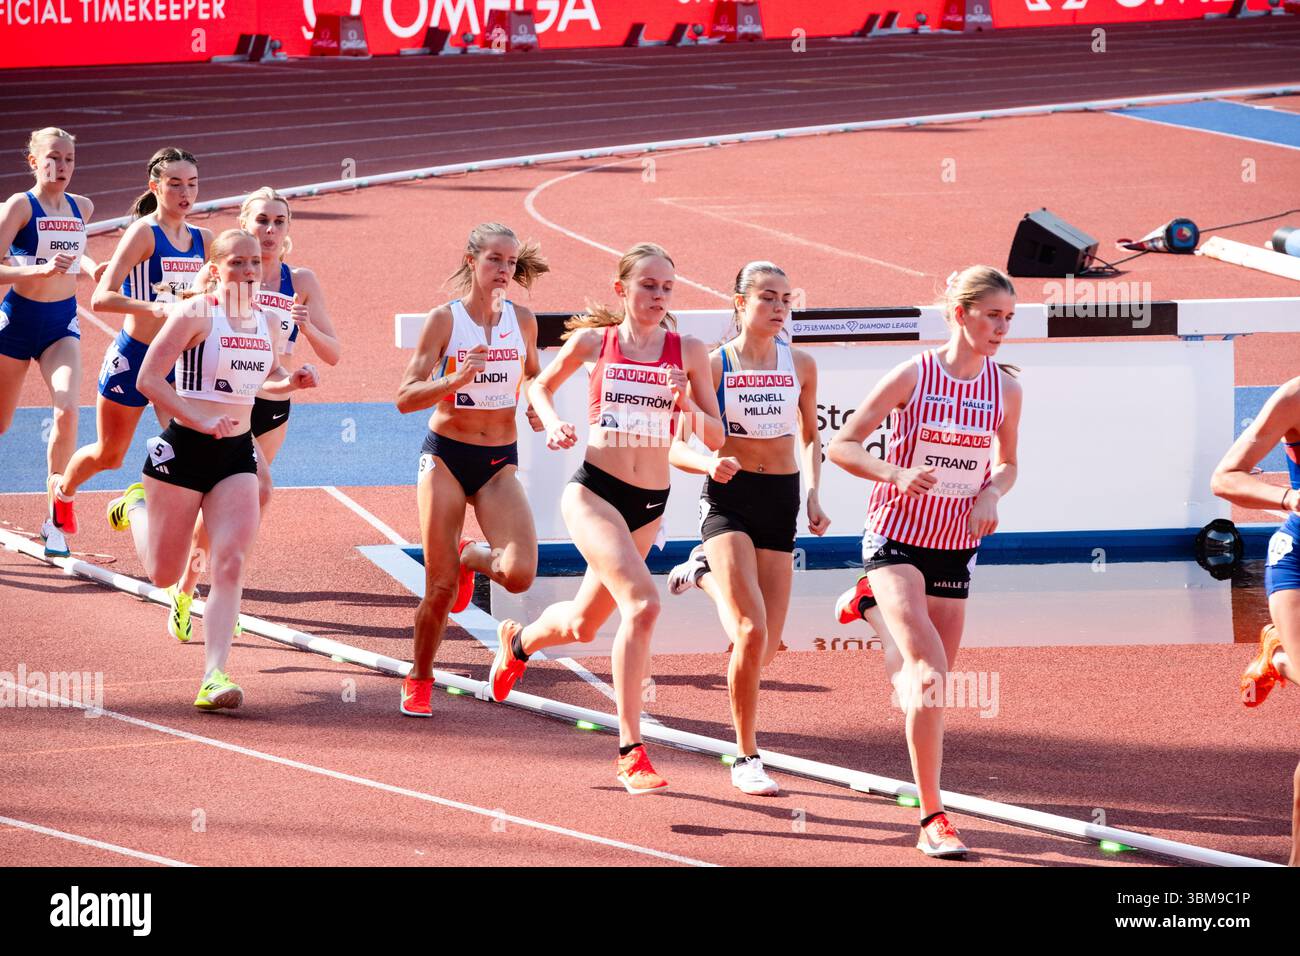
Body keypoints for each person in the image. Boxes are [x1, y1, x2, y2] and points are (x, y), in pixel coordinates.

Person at [488, 243, 724, 793]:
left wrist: (686, 404)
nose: (658, 296)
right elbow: (538, 384)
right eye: (647, 285)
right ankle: (630, 750)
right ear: (623, 290)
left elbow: (715, 433)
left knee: (581, 625)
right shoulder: (597, 342)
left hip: (648, 505)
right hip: (595, 493)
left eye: (667, 287)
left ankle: (519, 644)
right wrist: (549, 423)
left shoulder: (688, 350)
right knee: (643, 604)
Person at [828, 265, 1022, 858]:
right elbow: (842, 444)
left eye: (1009, 319)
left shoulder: (1006, 388)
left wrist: (991, 492)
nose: (1001, 329)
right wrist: (894, 473)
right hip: (895, 535)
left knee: (926, 687)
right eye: (992, 315)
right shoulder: (914, 374)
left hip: (956, 544)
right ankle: (934, 817)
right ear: (960, 314)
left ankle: (872, 608)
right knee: (932, 672)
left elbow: (1009, 462)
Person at [105, 229, 318, 710]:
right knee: (162, 575)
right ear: (217, 268)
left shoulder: (265, 319)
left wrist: (293, 382)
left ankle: (214, 675)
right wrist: (197, 418)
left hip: (236, 454)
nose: (248, 270)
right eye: (237, 263)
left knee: (230, 560)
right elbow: (148, 378)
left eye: (253, 263)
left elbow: (264, 381)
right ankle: (135, 504)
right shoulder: (197, 312)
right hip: (182, 452)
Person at [665, 261, 829, 795]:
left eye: (786, 299)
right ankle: (745, 755)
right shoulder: (714, 365)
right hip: (730, 499)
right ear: (739, 302)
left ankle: (701, 571)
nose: (779, 308)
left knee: (769, 642)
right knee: (751, 631)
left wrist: (812, 493)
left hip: (781, 499)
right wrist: (708, 463)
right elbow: (680, 441)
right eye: (767, 298)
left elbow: (810, 436)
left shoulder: (800, 363)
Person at [168, 186, 340, 644]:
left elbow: (334, 352)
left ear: (288, 230)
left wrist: (306, 327)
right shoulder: (226, 275)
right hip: (222, 403)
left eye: (279, 222)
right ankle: (217, 587)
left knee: (242, 503)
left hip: (273, 401)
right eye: (261, 220)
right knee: (258, 488)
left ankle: (193, 586)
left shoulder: (298, 280)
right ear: (244, 224)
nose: (270, 230)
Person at [394, 223, 547, 718]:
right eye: (494, 260)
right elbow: (403, 398)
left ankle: (469, 556)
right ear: (471, 260)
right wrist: (455, 378)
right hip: (445, 456)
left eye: (510, 262)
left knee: (519, 573)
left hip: (499, 461)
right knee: (438, 590)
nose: (503, 270)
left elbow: (535, 378)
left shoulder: (523, 321)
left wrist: (538, 408)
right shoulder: (445, 320)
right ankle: (419, 676)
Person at [54, 147, 211, 559]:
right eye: (174, 183)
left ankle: (149, 510)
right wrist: (155, 307)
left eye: (192, 183)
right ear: (154, 186)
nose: (185, 192)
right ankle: (63, 491)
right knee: (110, 454)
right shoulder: (144, 233)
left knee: (187, 449)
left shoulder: (203, 240)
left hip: (177, 364)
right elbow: (102, 298)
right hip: (134, 357)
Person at [1210, 379, 1300, 866]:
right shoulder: (1295, 397)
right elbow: (1225, 478)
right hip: (1298, 559)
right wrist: (1290, 498)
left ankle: (1278, 656)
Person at [0, 128, 92, 557]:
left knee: (68, 410)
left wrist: (93, 266)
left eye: (70, 159)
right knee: (0, 424)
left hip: (61, 325)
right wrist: (35, 271)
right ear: (34, 161)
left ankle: (55, 519)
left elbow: (74, 254)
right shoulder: (21, 206)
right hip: (16, 323)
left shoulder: (82, 207)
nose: (63, 167)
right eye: (54, 158)